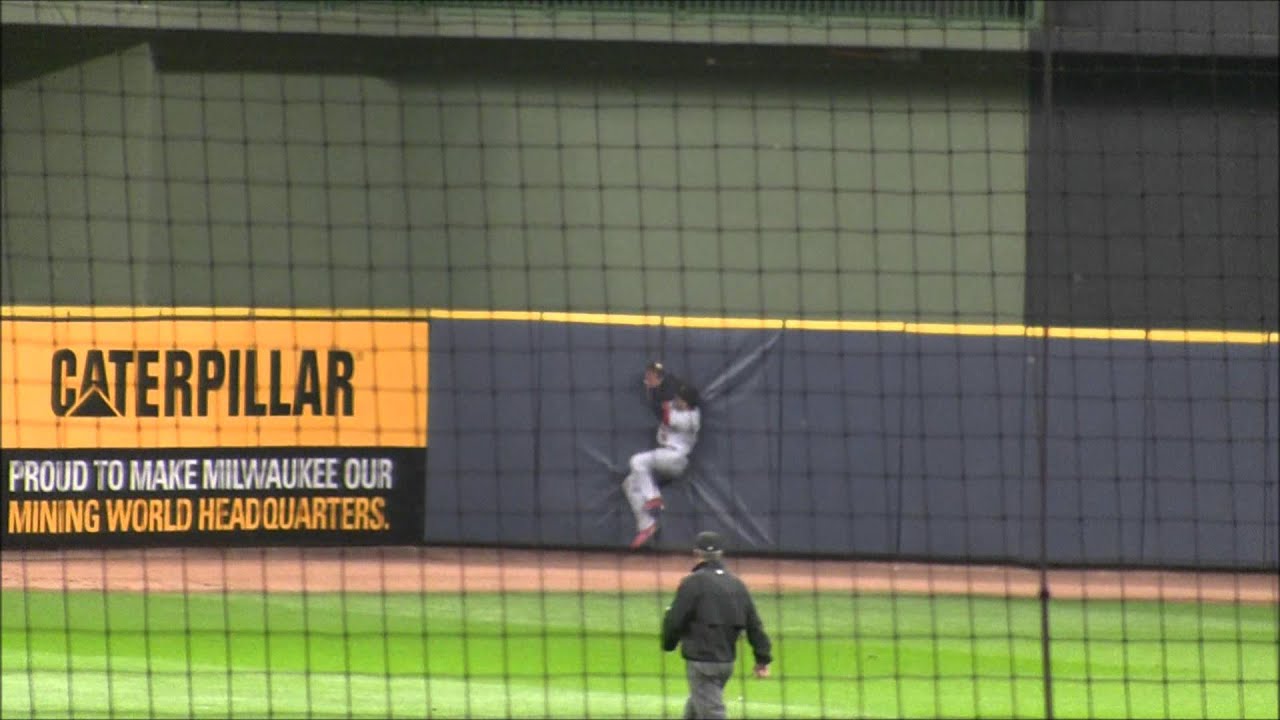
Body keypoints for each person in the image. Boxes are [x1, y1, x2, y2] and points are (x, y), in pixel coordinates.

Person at [662, 531, 772, 719]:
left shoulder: (692, 582)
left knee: (712, 712)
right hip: (726, 663)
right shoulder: (736, 584)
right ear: (721, 554)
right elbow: (754, 623)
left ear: (696, 553)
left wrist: (668, 643)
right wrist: (762, 659)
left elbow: (675, 619)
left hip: (701, 662)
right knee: (697, 707)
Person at [625, 362, 701, 549]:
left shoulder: (692, 416)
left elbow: (665, 415)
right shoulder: (677, 406)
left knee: (637, 461)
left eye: (681, 399)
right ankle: (647, 525)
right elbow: (664, 403)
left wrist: (657, 393)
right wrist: (656, 385)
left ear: (688, 402)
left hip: (676, 460)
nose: (678, 400)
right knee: (628, 483)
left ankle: (653, 497)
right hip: (663, 459)